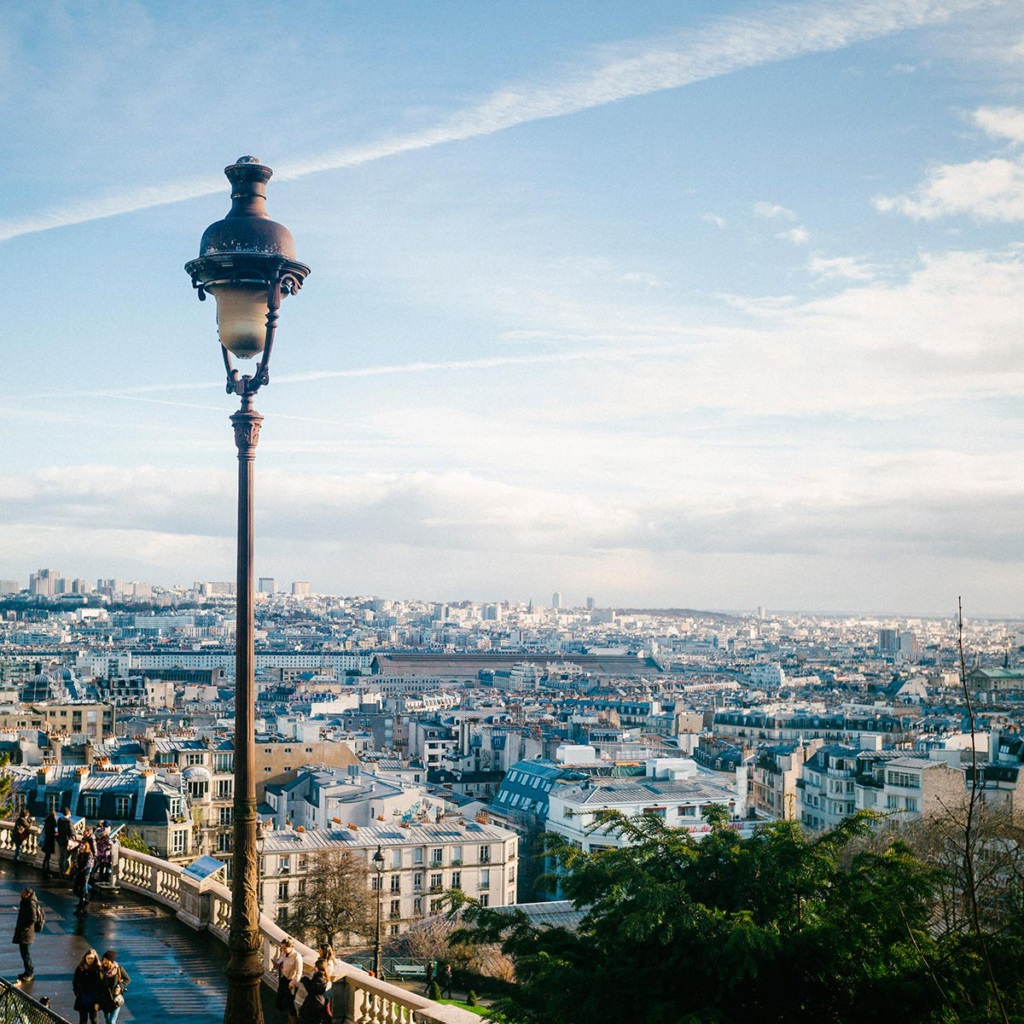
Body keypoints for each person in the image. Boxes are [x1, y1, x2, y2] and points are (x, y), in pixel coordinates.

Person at [11, 887, 40, 983]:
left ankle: (30, 972)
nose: (21, 893)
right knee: (24, 954)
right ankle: (27, 971)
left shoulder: (30, 903)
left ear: (27, 894)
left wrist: (25, 928)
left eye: (23, 892)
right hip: (25, 932)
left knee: (26, 954)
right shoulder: (26, 901)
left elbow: (33, 918)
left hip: (26, 934)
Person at [273, 936, 303, 1024]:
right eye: (282, 948)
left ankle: (293, 1021)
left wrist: (292, 983)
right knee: (280, 1002)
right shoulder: (284, 953)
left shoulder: (297, 956)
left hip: (291, 982)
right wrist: (276, 964)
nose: (283, 950)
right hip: (285, 979)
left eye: (285, 948)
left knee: (290, 1005)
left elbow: (299, 972)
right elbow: (280, 961)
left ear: (291, 947)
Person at [97, 949, 130, 1024]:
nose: (104, 961)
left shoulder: (118, 969)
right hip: (105, 1000)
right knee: (108, 1021)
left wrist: (119, 986)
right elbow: (98, 985)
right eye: (103, 959)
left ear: (111, 961)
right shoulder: (101, 971)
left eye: (106, 960)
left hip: (115, 999)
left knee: (112, 1022)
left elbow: (127, 979)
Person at [73, 948, 102, 1024]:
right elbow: (75, 982)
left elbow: (100, 985)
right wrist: (77, 993)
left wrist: (98, 1000)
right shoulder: (80, 968)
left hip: (94, 998)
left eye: (92, 958)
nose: (90, 960)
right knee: (83, 1020)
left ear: (95, 958)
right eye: (88, 958)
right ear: (85, 958)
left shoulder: (98, 969)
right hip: (83, 997)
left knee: (94, 1020)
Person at [297, 959, 332, 1024]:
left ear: (317, 968)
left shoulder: (320, 979)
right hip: (315, 1002)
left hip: (315, 1003)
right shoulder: (321, 977)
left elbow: (311, 990)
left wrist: (305, 979)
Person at [73, 838, 96, 913]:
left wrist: (79, 869)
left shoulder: (88, 854)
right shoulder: (80, 853)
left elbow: (86, 865)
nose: (80, 847)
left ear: (86, 847)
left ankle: (81, 905)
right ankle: (86, 896)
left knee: (83, 887)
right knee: (76, 888)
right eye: (80, 846)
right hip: (80, 871)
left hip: (85, 872)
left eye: (82, 846)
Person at [57, 807, 74, 876]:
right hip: (67, 842)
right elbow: (72, 832)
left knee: (61, 857)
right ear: (69, 813)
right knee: (67, 858)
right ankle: (66, 872)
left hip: (60, 840)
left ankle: (61, 872)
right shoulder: (69, 821)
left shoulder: (59, 820)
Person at [41, 810, 57, 877]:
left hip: (46, 842)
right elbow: (52, 832)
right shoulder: (52, 821)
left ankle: (45, 870)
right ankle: (46, 871)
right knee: (47, 857)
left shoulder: (47, 821)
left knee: (46, 857)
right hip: (49, 842)